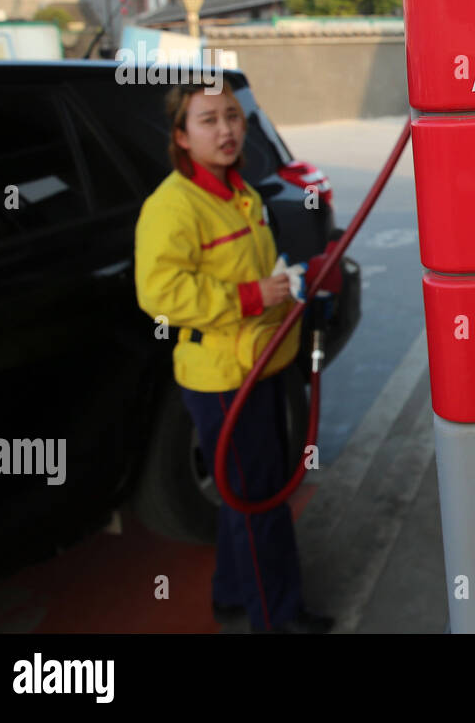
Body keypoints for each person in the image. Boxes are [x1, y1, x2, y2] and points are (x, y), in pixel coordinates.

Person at [134, 79, 339, 633]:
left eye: (232, 116)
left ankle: (230, 593)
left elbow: (259, 270)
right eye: (207, 120)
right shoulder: (173, 207)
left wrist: (298, 287)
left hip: (264, 361)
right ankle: (278, 616)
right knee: (260, 501)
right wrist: (250, 297)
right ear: (181, 136)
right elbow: (160, 294)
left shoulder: (239, 193)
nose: (225, 129)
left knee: (242, 492)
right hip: (225, 377)